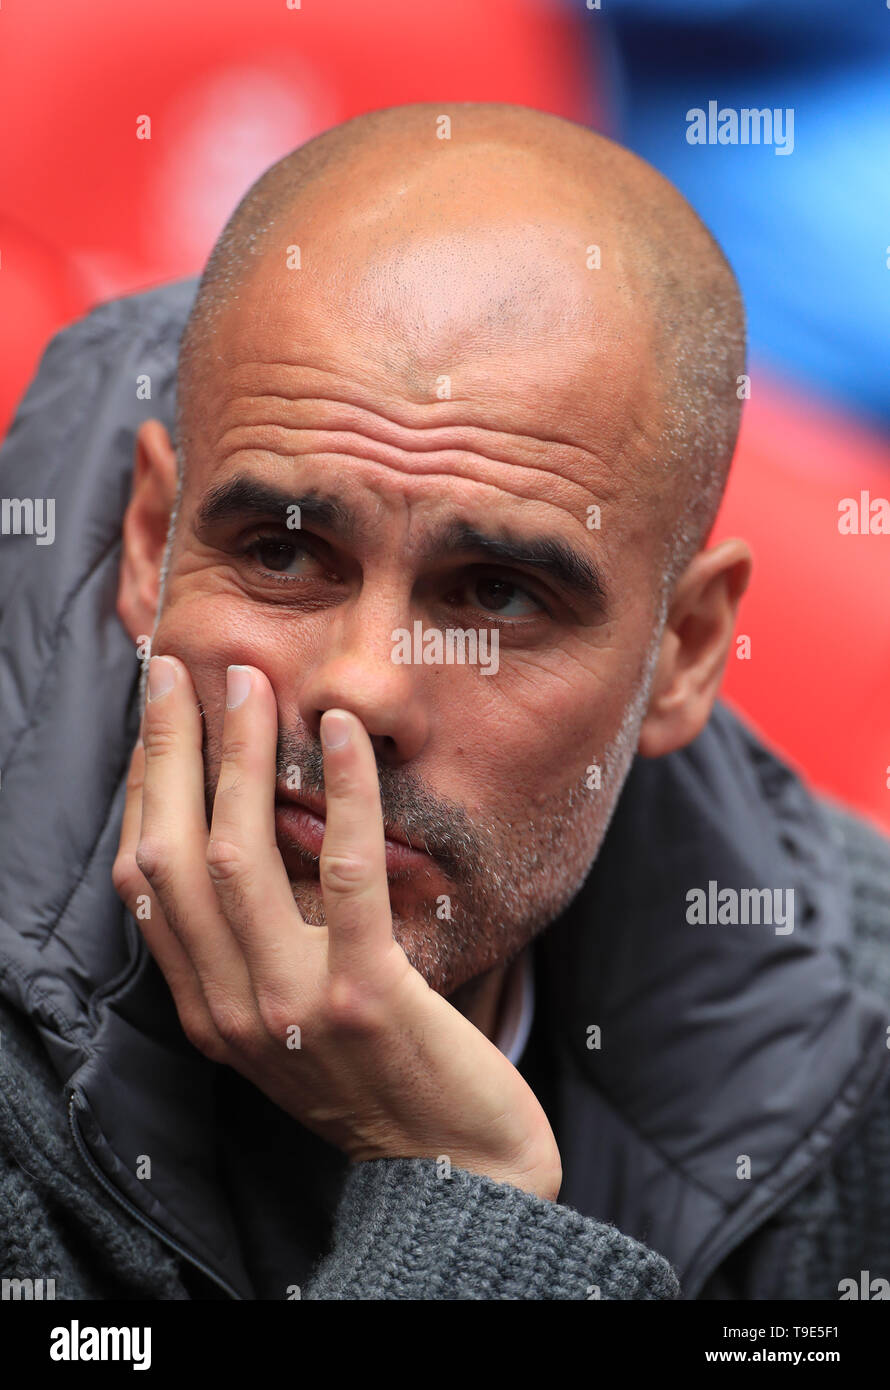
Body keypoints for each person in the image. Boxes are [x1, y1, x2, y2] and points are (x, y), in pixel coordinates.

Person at [1, 101, 888, 1302]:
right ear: (151, 545)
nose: (360, 688)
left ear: (682, 650)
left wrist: (450, 1184)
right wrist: (465, 1189)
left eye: (498, 596)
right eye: (280, 551)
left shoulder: (855, 1033)